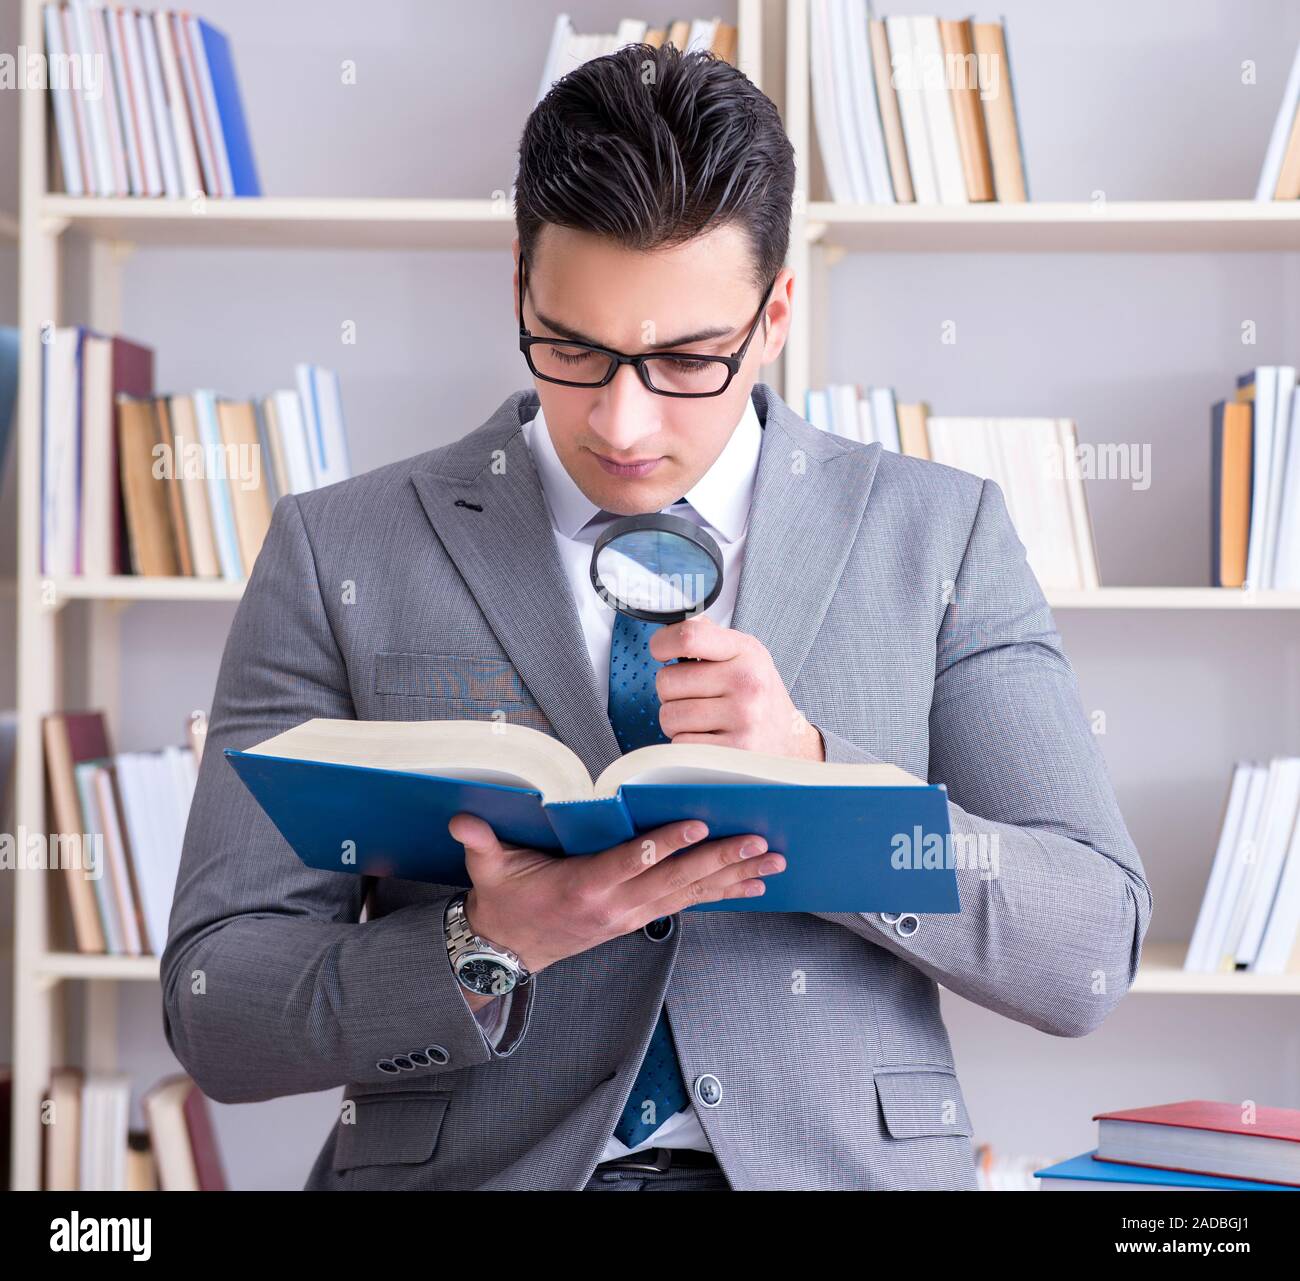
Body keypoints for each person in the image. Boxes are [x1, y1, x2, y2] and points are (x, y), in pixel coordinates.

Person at [161, 43, 1151, 1192]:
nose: (623, 423)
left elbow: (1087, 951)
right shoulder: (342, 547)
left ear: (773, 315)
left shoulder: (937, 535)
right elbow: (217, 1007)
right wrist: (491, 946)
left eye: (685, 359)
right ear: (518, 290)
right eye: (573, 348)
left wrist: (824, 772)